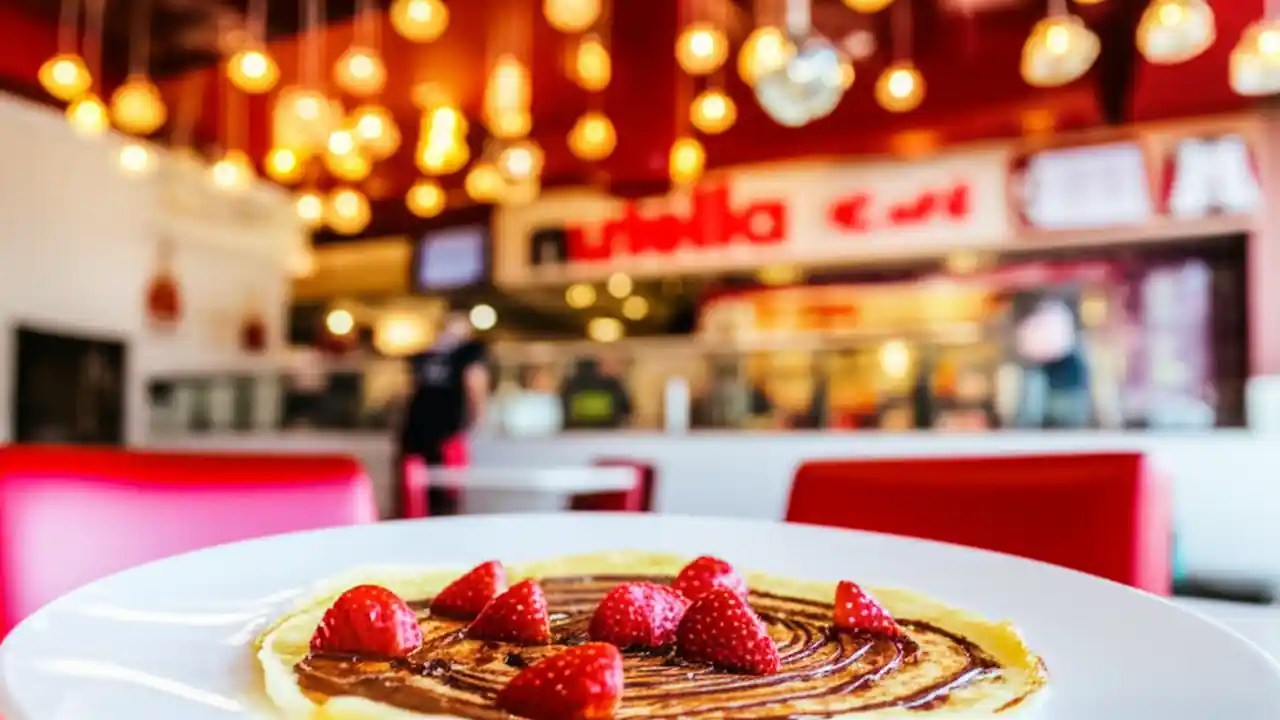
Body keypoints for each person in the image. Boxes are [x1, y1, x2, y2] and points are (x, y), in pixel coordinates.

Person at [399, 311, 489, 515]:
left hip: (417, 430)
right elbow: (475, 385)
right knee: (447, 492)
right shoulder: (468, 354)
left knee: (419, 493)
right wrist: (479, 419)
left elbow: (405, 392)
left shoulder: (423, 355)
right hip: (446, 430)